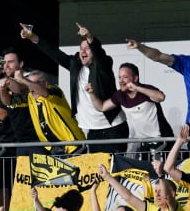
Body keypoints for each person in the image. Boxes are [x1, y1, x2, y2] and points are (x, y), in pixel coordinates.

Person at [24, 21, 128, 151]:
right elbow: (55, 53)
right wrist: (33, 37)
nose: (83, 51)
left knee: (115, 168)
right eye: (81, 49)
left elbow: (100, 53)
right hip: (92, 130)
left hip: (112, 128)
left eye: (87, 48)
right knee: (98, 170)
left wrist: (90, 37)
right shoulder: (75, 65)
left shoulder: (103, 65)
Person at [87, 62, 173, 159]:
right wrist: (92, 93)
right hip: (143, 144)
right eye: (119, 77)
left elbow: (161, 97)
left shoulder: (146, 90)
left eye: (125, 77)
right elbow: (101, 107)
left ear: (135, 78)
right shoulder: (119, 95)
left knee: (162, 172)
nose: (121, 81)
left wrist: (137, 88)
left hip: (163, 141)